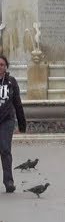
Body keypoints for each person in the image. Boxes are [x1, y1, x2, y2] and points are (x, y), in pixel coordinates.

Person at [0, 55, 27, 194]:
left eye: (2, 64)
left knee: (5, 150)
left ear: (6, 67)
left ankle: (8, 181)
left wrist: (22, 125)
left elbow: (17, 103)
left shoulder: (11, 82)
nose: (0, 67)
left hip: (6, 120)